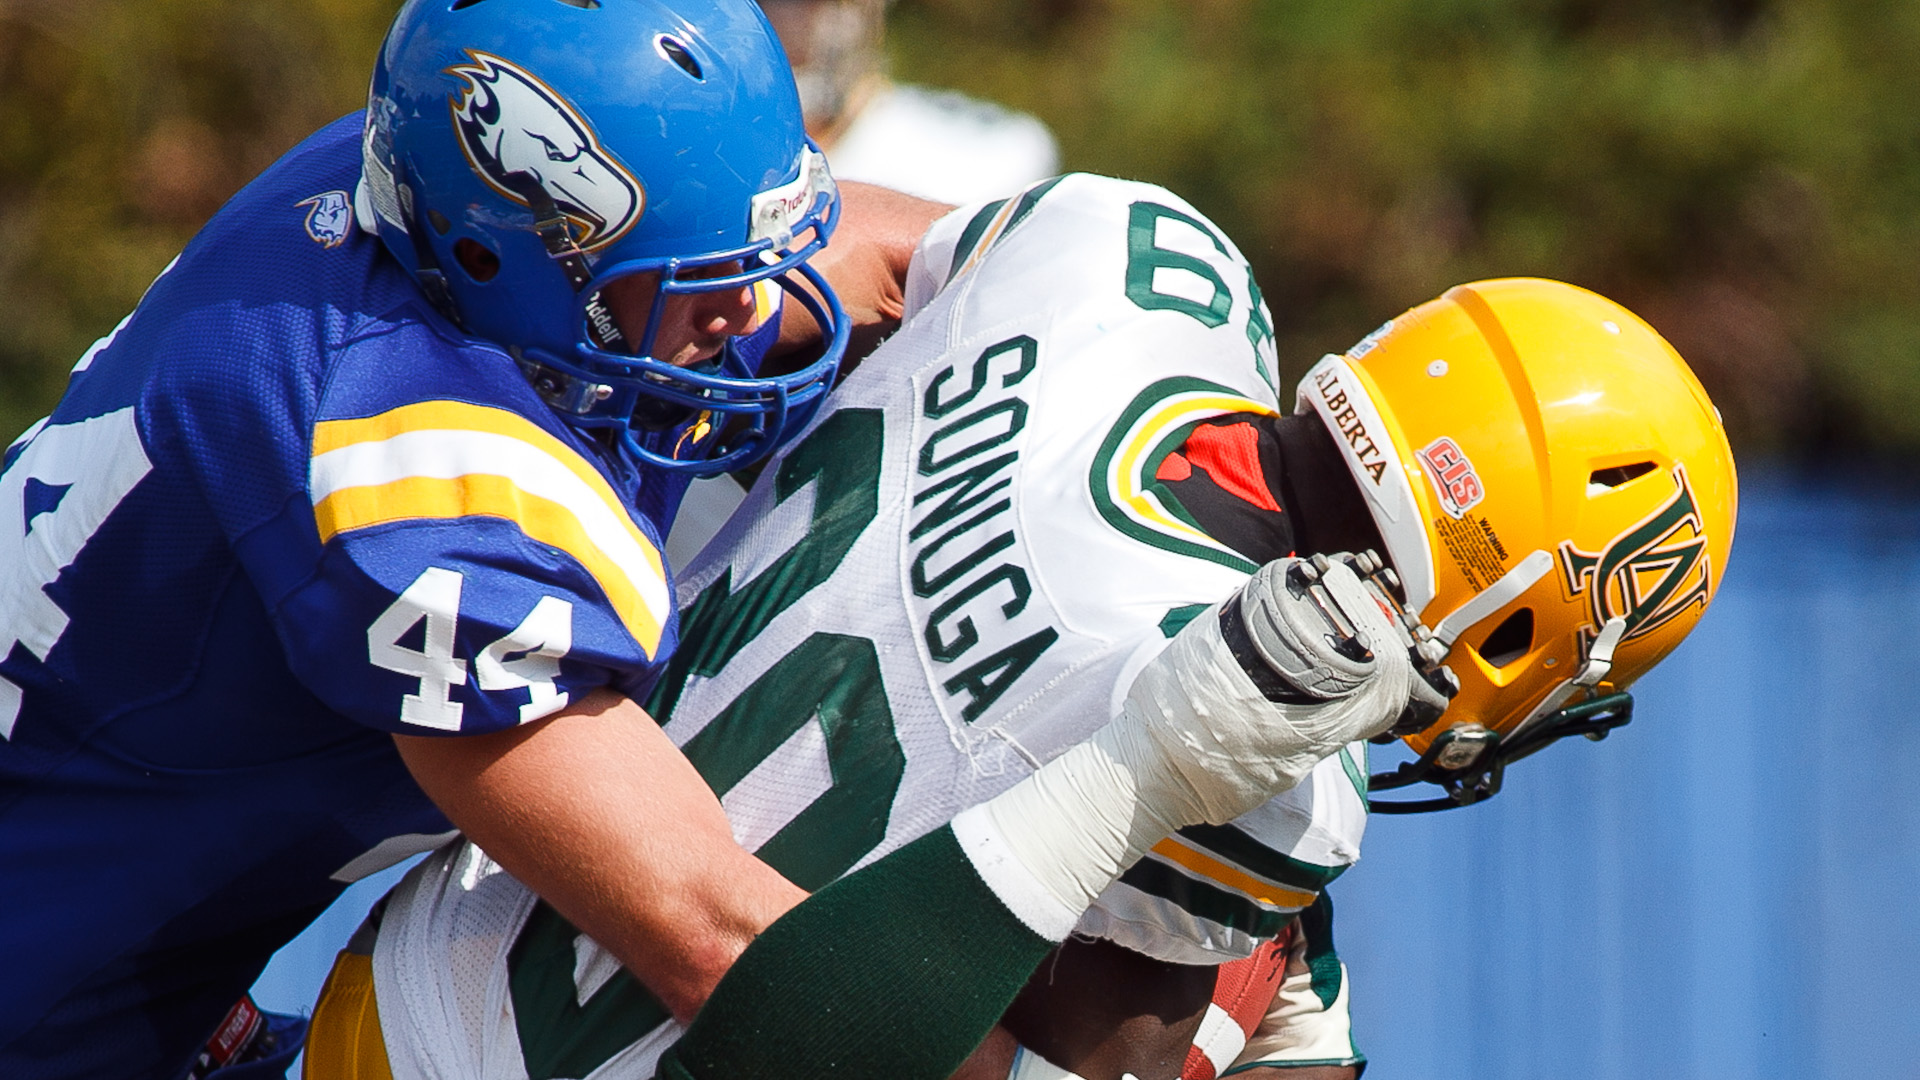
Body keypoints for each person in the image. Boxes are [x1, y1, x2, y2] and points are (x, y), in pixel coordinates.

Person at [309, 174, 1738, 1080]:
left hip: (408, 968)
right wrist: (1212, 885)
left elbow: (819, 251)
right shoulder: (1275, 802)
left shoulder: (1137, 251)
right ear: (1508, 619)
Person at [0, 0, 940, 1074]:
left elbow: (884, 259)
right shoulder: (411, 482)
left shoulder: (445, 210)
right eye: (701, 273)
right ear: (519, 257)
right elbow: (726, 945)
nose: (747, 304)